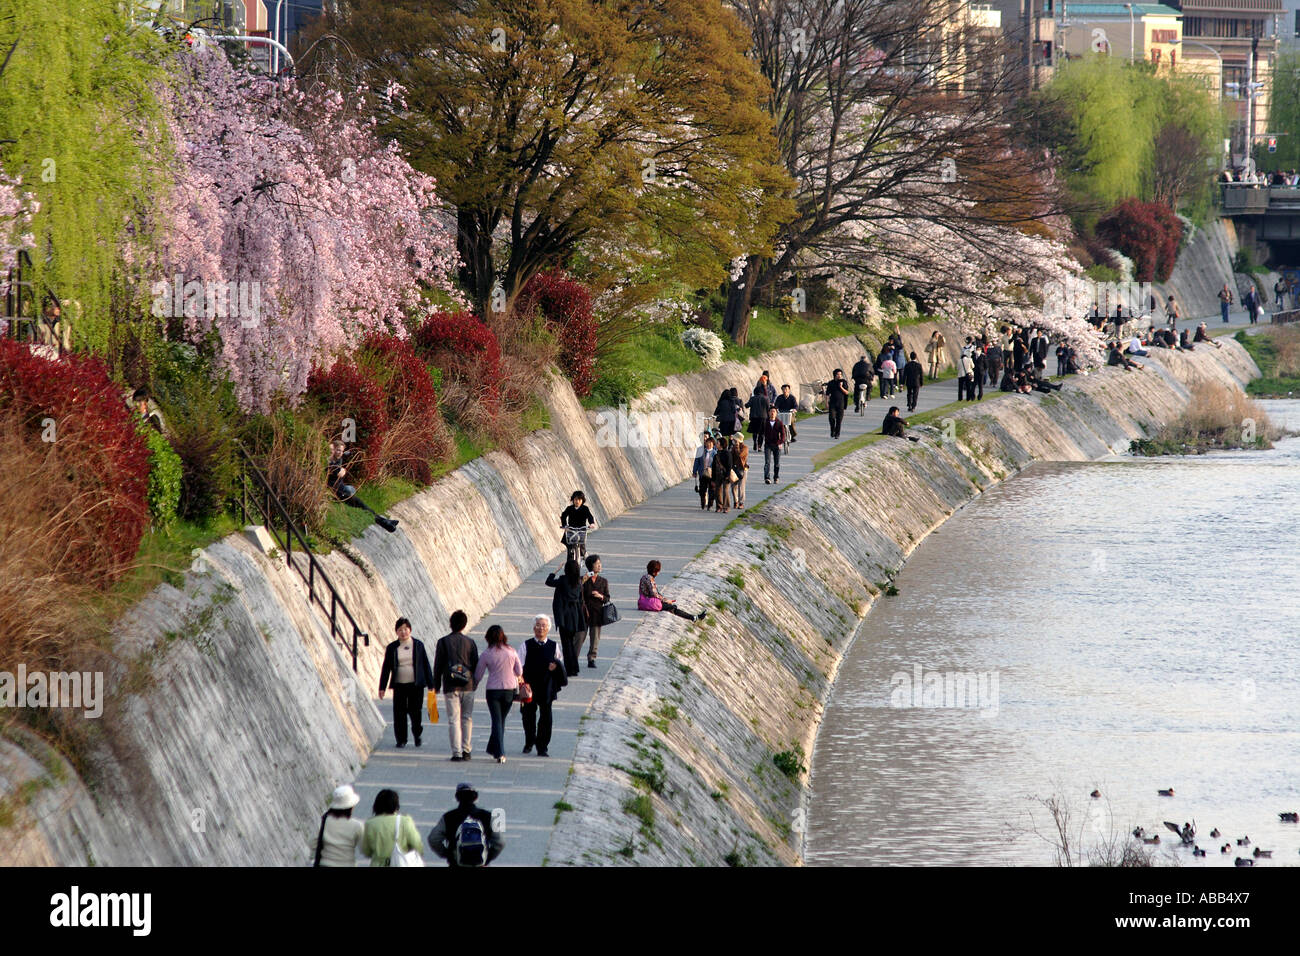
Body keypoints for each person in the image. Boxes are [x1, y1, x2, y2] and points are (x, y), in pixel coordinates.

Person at [379, 617, 436, 748]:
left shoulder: (418, 645)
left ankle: (417, 734)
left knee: (415, 711)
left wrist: (431, 685)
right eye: (400, 630)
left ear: (410, 630)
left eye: (405, 629)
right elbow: (386, 668)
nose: (403, 632)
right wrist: (382, 687)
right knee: (399, 713)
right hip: (399, 685)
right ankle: (401, 739)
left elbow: (425, 665)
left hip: (416, 685)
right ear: (396, 632)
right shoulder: (392, 647)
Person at [433, 610, 479, 762]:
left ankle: (457, 752)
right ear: (464, 624)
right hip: (468, 685)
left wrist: (436, 685)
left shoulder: (443, 642)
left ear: (450, 623)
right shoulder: (470, 642)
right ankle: (467, 750)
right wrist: (475, 682)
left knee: (453, 719)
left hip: (451, 685)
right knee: (467, 718)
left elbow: (438, 665)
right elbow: (475, 664)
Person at [473, 624, 522, 763]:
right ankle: (493, 748)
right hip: (509, 690)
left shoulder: (486, 654)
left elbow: (478, 674)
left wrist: (474, 685)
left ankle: (499, 752)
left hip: (493, 690)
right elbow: (519, 671)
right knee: (501, 720)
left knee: (496, 720)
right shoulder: (511, 651)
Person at [328, 438, 399, 533]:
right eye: (337, 450)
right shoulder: (331, 464)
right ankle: (384, 523)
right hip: (340, 493)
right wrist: (343, 470)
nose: (339, 453)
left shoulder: (338, 459)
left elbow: (344, 455)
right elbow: (339, 472)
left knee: (359, 500)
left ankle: (385, 521)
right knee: (361, 506)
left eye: (341, 451)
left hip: (342, 490)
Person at [520, 614, 566, 755]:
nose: (541, 628)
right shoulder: (525, 645)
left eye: (544, 625)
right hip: (529, 686)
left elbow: (560, 664)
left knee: (546, 717)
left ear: (548, 629)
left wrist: (555, 667)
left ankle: (542, 746)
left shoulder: (554, 646)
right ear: (534, 628)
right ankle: (529, 742)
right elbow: (518, 667)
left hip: (547, 686)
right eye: (538, 625)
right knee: (528, 716)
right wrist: (521, 683)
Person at [427, 783, 504, 867]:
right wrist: (487, 857)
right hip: (480, 863)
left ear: (457, 797)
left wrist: (448, 854)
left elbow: (433, 839)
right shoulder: (488, 816)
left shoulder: (448, 817)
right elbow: (499, 842)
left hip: (456, 863)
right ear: (475, 797)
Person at [544, 558, 588, 676]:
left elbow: (548, 582)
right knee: (571, 644)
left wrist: (555, 571)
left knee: (566, 644)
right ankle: (574, 668)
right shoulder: (578, 583)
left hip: (564, 616)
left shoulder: (563, 580)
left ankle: (569, 669)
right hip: (575, 616)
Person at [361, 789, 423, 867]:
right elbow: (417, 844)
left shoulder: (370, 824)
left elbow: (366, 851)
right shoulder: (405, 821)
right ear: (396, 805)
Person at [313, 785, 365, 867]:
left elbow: (313, 843)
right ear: (351, 807)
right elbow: (364, 849)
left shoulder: (325, 820)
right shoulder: (357, 826)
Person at [581, 554, 610, 667]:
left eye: (600, 563)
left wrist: (600, 596)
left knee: (595, 638)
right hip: (584, 612)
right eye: (596, 564)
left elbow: (607, 598)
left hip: (597, 613)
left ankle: (591, 658)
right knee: (580, 636)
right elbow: (577, 591)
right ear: (590, 566)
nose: (599, 566)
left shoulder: (603, 581)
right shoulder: (584, 580)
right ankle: (573, 657)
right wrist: (583, 579)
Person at [559, 490, 597, 561]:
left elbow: (590, 516)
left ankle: (586, 557)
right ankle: (570, 564)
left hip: (581, 531)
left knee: (582, 547)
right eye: (575, 499)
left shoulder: (585, 509)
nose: (577, 501)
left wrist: (591, 523)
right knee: (569, 548)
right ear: (573, 500)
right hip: (571, 530)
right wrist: (565, 525)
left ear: (582, 500)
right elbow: (563, 516)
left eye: (579, 499)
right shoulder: (569, 508)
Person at [760, 404, 786, 484]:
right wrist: (760, 444)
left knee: (777, 463)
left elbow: (783, 435)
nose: (772, 413)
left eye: (774, 412)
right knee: (767, 462)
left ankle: (776, 477)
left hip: (776, 444)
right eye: (771, 411)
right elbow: (761, 433)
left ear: (776, 413)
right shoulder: (765, 422)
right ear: (768, 413)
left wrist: (780, 442)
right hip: (767, 444)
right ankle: (767, 478)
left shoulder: (779, 423)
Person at [692, 434, 717, 510]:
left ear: (713, 444)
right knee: (702, 489)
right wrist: (694, 471)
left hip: (712, 474)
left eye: (710, 443)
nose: (708, 444)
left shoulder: (715, 453)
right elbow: (696, 461)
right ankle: (703, 502)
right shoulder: (701, 451)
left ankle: (710, 504)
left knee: (711, 490)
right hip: (702, 473)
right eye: (707, 443)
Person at [825, 368, 850, 438]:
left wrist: (841, 387)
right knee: (831, 418)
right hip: (832, 403)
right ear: (834, 375)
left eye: (840, 374)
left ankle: (837, 434)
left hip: (841, 403)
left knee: (839, 420)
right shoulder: (831, 383)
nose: (839, 376)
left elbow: (847, 392)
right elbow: (827, 394)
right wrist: (826, 403)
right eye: (838, 374)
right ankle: (832, 430)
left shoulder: (843, 382)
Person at [746, 381, 771, 451]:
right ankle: (759, 446)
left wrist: (750, 398)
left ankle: (754, 442)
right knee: (762, 433)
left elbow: (746, 405)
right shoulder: (766, 398)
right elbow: (768, 408)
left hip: (754, 417)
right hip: (763, 418)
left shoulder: (753, 398)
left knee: (755, 432)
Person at [711, 435, 733, 513]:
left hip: (725, 475)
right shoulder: (716, 455)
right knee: (717, 491)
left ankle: (726, 507)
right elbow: (713, 467)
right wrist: (713, 479)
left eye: (717, 443)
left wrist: (727, 475)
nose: (716, 444)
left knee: (725, 491)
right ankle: (719, 506)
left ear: (721, 444)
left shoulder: (727, 453)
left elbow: (729, 465)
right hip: (717, 475)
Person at [729, 435, 749, 508]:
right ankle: (735, 501)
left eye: (735, 439)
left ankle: (741, 502)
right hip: (734, 468)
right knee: (733, 486)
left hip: (742, 469)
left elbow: (740, 456)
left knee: (741, 486)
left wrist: (737, 448)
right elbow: (730, 456)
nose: (734, 440)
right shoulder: (733, 447)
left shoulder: (745, 448)